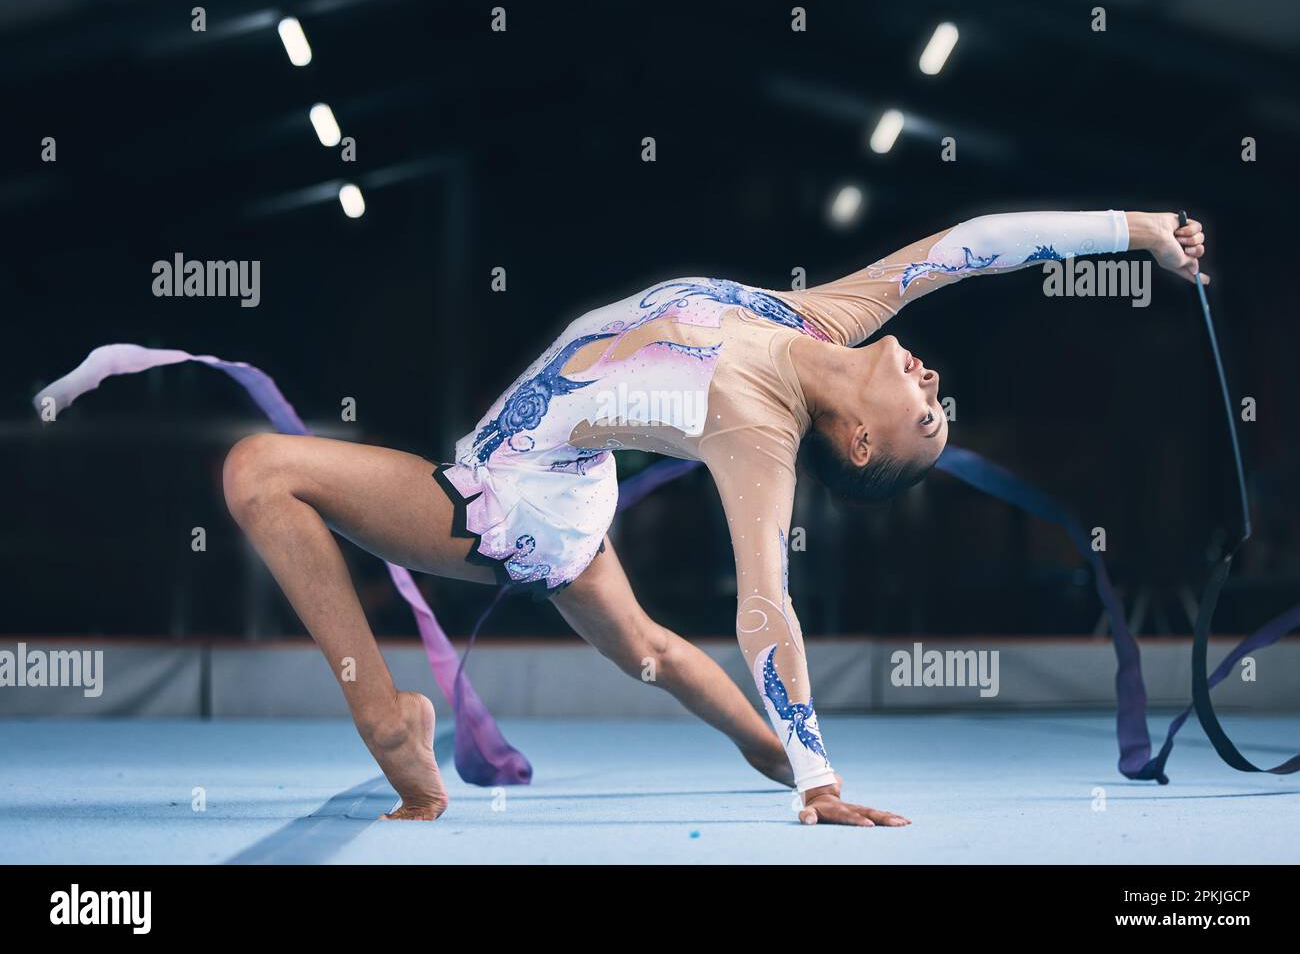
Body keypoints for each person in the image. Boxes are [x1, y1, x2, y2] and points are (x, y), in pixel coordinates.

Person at [220, 209, 1209, 824]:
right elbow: (974, 246)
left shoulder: (757, 428)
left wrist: (822, 781)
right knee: (647, 646)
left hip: (501, 500)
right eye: (941, 403)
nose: (934, 384)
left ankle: (385, 716)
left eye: (927, 416)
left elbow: (765, 602)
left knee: (261, 470)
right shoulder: (823, 319)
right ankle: (767, 749)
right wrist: (1135, 228)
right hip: (566, 485)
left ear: (859, 442)